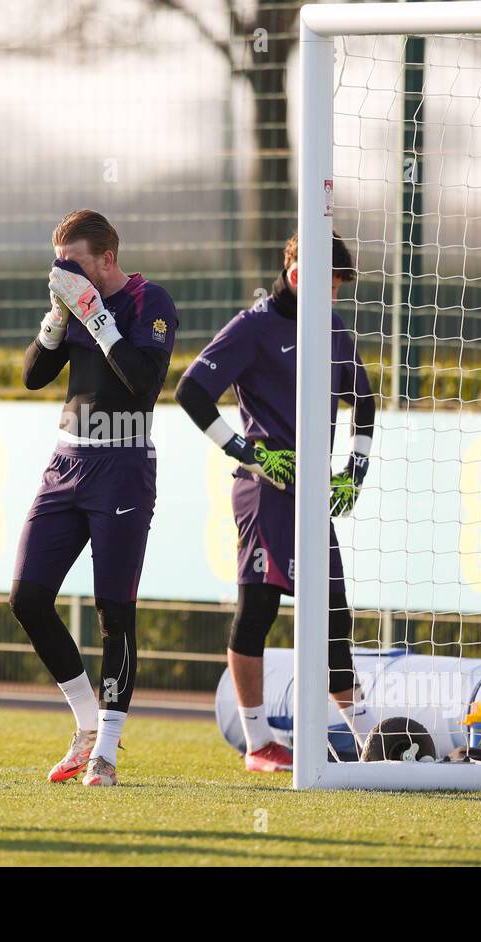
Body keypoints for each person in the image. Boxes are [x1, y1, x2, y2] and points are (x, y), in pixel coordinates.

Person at [174, 231, 376, 771]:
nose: (335, 296)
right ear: (296, 277)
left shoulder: (332, 329)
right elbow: (190, 391)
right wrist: (248, 452)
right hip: (265, 492)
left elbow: (365, 401)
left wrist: (353, 470)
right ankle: (258, 741)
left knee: (335, 615)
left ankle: (370, 738)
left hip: (313, 498)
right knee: (259, 609)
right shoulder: (253, 327)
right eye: (329, 284)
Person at [9, 209, 178, 787]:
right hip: (66, 461)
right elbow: (34, 376)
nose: (65, 276)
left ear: (107, 258)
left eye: (74, 266)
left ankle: (105, 750)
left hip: (122, 466)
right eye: (58, 267)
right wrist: (57, 319)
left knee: (115, 611)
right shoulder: (75, 304)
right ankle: (83, 724)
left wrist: (96, 317)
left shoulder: (148, 301)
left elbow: (145, 384)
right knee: (28, 598)